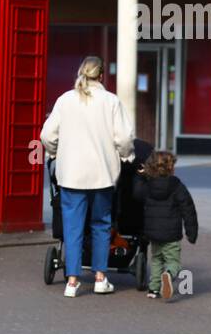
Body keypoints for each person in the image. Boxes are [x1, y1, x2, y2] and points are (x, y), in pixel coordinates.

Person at [40, 56, 135, 297]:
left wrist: (54, 153)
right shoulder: (111, 102)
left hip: (71, 174)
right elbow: (124, 139)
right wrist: (126, 157)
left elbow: (47, 135)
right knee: (101, 224)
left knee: (73, 227)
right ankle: (101, 278)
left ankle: (72, 281)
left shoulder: (65, 100)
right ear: (102, 75)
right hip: (102, 174)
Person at [132, 150, 198, 301]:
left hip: (153, 234)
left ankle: (153, 289)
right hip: (171, 234)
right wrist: (191, 232)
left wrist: (140, 176)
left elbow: (137, 193)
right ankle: (168, 275)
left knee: (156, 260)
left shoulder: (148, 186)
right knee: (173, 262)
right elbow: (188, 209)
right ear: (171, 168)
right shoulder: (177, 186)